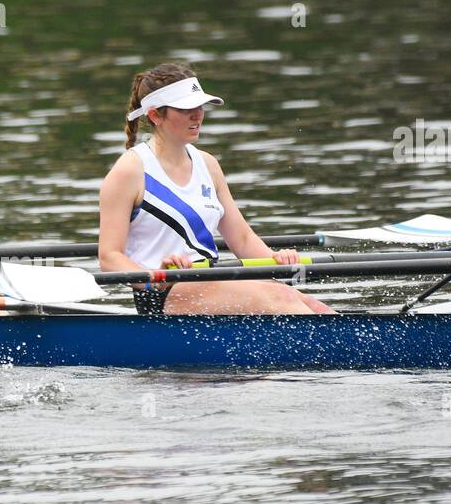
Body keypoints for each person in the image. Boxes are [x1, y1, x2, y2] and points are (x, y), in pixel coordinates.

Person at [99, 62, 332, 315]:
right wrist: (154, 278)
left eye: (199, 106)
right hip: (163, 292)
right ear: (155, 115)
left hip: (210, 278)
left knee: (310, 304)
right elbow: (110, 257)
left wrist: (277, 260)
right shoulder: (130, 171)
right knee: (282, 299)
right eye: (186, 108)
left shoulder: (208, 165)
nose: (197, 115)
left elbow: (242, 238)